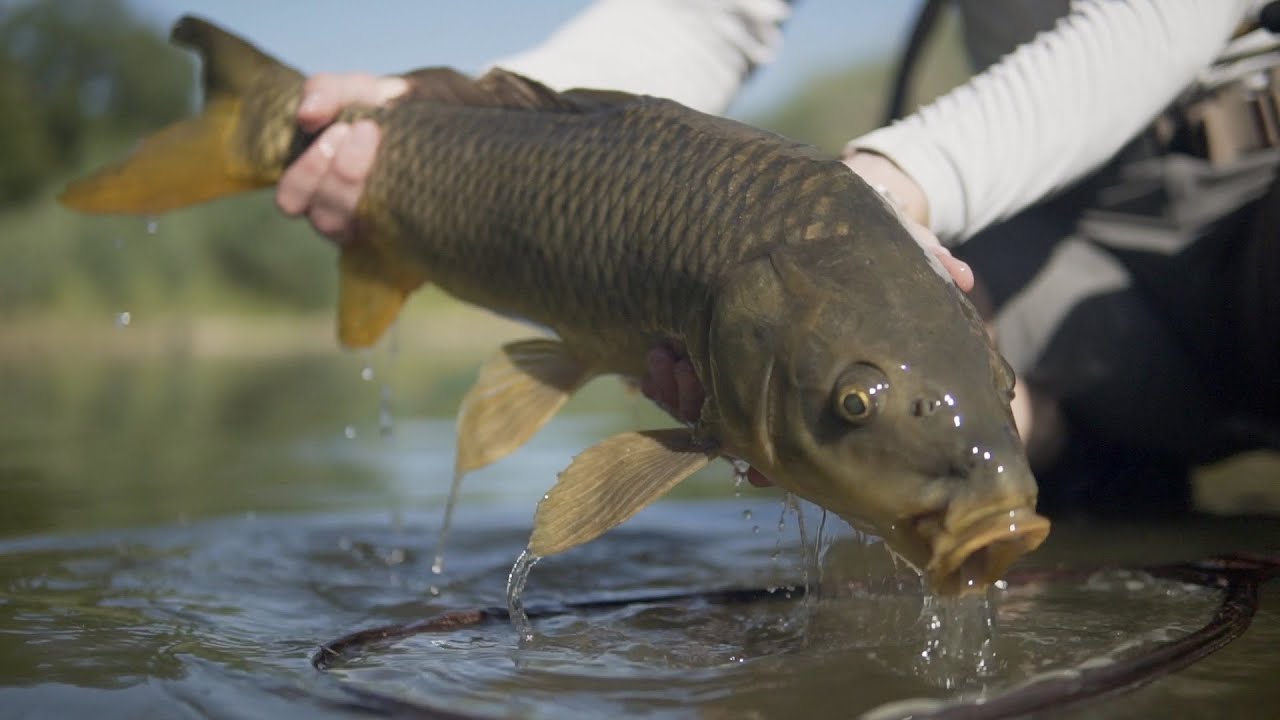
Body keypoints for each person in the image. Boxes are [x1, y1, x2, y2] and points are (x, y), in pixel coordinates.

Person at [275, 0, 1279, 511]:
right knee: (844, 415)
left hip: (1253, 208)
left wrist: (883, 185)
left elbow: (1158, 17)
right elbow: (706, 14)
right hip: (1050, 214)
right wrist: (450, 113)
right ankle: (1082, 470)